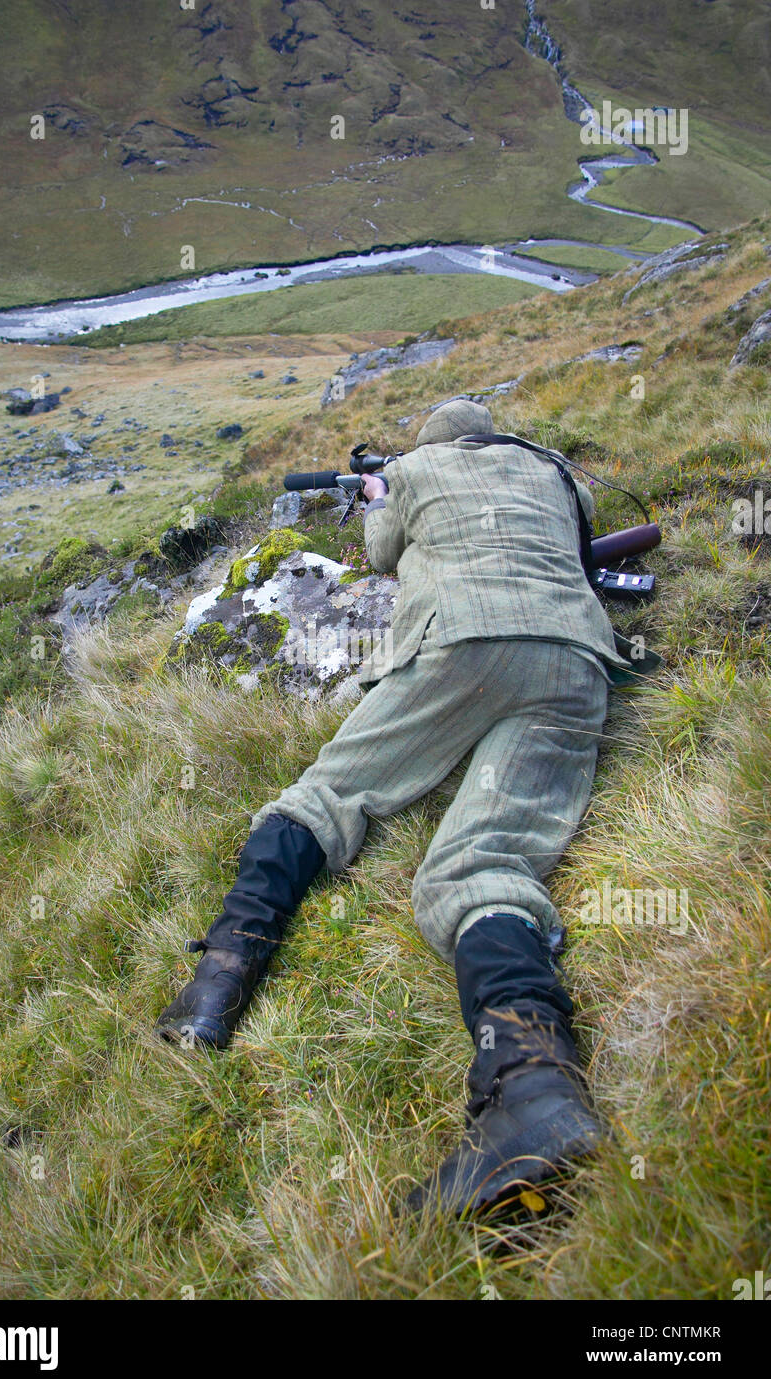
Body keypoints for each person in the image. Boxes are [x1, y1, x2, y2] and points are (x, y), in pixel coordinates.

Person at [156, 398, 635, 1217]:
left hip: (458, 645)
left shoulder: (410, 472)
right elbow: (583, 524)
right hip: (574, 659)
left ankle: (217, 985)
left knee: (329, 794)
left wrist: (380, 500)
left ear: (426, 447)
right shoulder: (551, 469)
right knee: (487, 864)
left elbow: (382, 555)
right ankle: (534, 1090)